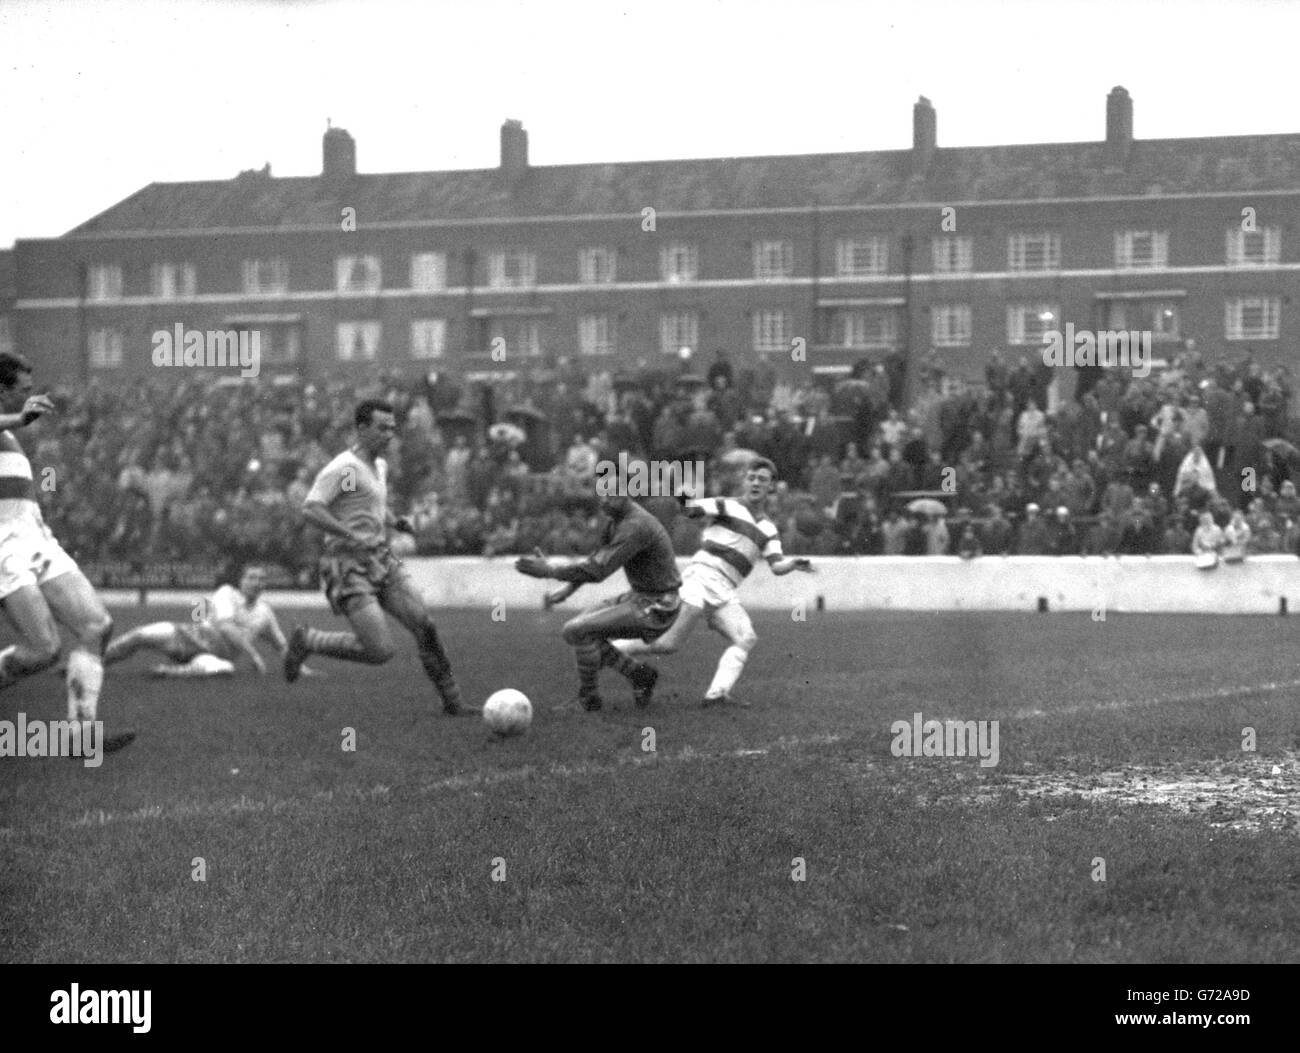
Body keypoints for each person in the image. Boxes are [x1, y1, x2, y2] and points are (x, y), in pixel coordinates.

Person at [282, 400, 473, 716]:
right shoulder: (343, 468)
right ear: (361, 429)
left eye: (392, 429)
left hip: (381, 558)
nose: (389, 435)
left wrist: (394, 520)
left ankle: (454, 703)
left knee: (425, 624)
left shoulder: (379, 466)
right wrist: (347, 533)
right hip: (347, 566)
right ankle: (308, 640)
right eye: (382, 428)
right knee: (380, 651)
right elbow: (311, 508)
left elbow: (368, 503)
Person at [0, 353, 134, 754]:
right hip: (3, 546)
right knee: (44, 650)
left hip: (36, 539)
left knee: (96, 626)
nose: (29, 397)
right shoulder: (9, 426)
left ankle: (79, 735)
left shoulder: (8, 437)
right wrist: (18, 419)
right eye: (22, 391)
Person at [612, 458, 814, 707]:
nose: (755, 483)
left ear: (772, 486)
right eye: (751, 477)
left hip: (725, 590)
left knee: (746, 638)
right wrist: (679, 491)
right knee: (667, 644)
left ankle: (717, 694)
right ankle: (612, 648)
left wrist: (794, 564)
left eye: (762, 479)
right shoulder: (727, 505)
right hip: (700, 578)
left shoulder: (769, 529)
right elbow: (692, 510)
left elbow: (776, 565)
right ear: (744, 480)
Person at [515, 491, 680, 712]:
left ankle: (589, 700)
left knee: (577, 630)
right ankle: (639, 675)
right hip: (641, 597)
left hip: (658, 605)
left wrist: (549, 571)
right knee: (578, 631)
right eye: (601, 494)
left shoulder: (636, 526)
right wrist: (567, 590)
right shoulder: (616, 522)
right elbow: (595, 561)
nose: (603, 500)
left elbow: (598, 571)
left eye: (610, 495)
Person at [105, 565, 306, 677]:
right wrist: (253, 654)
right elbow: (226, 628)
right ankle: (97, 663)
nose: (257, 583)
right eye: (252, 577)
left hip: (216, 656)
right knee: (141, 635)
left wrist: (302, 668)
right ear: (241, 581)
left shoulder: (265, 613)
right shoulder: (226, 592)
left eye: (262, 579)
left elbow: (281, 646)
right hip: (188, 638)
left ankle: (168, 672)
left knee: (224, 669)